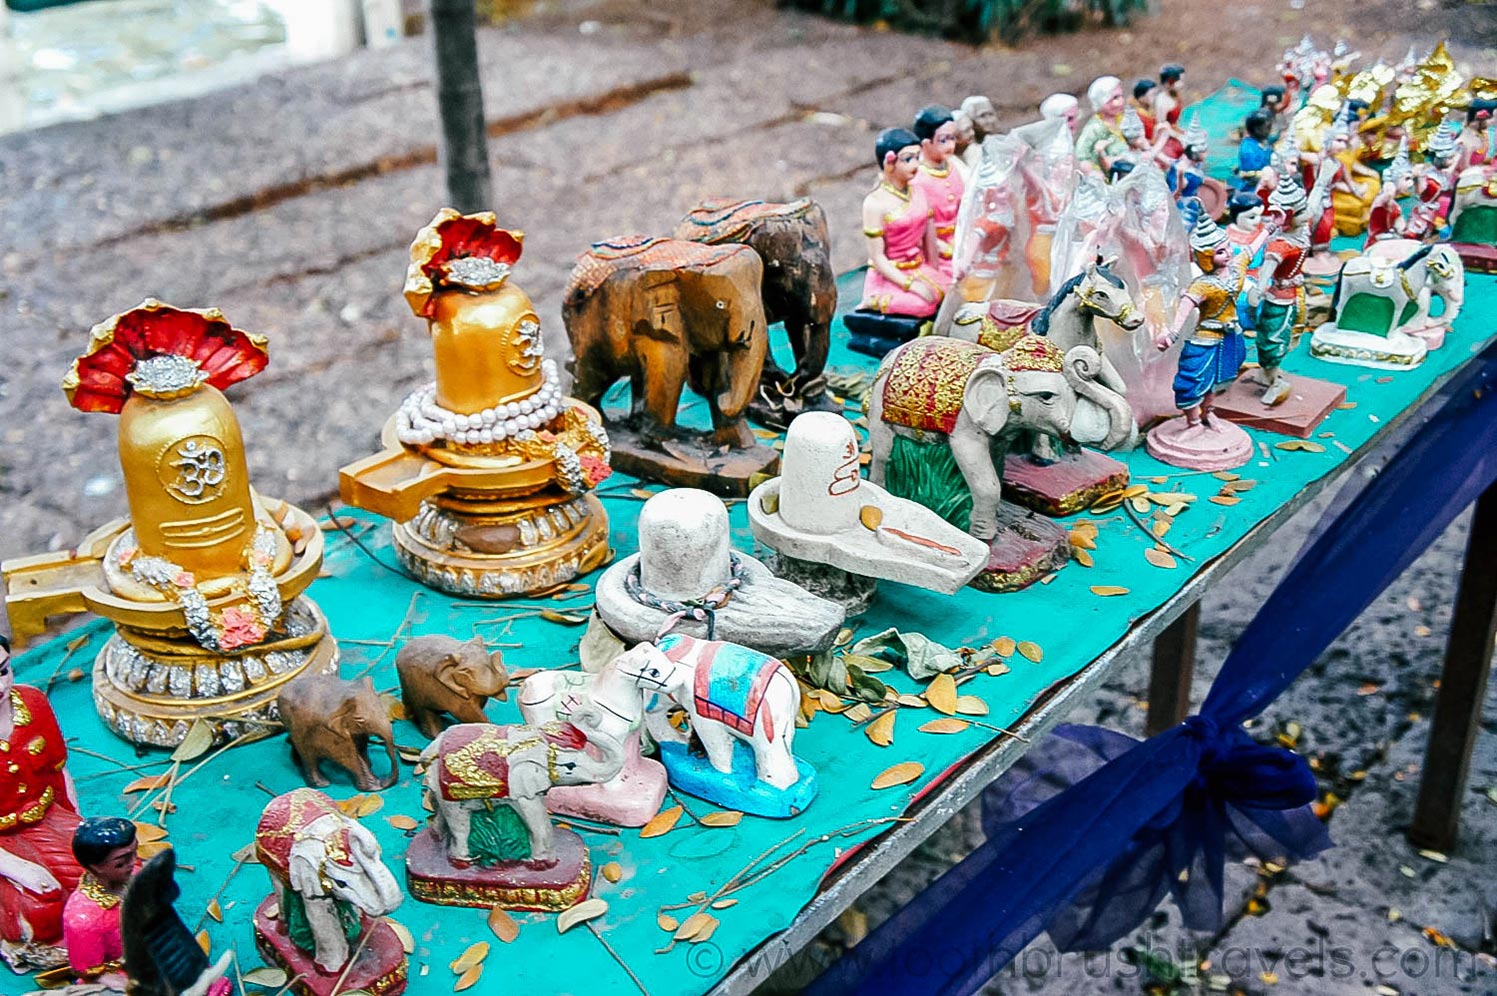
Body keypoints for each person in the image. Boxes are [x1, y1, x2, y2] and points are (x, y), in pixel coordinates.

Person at [0, 633, 83, 972]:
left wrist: (79, 826)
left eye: (3, 671)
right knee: (42, 909)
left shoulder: (31, 703)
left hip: (48, 817)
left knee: (118, 873)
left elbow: (59, 772)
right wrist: (18, 869)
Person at [1155, 214, 1258, 427]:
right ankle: (1192, 421)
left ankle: (1208, 412)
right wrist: (1172, 334)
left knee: (1219, 380)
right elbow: (1185, 309)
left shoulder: (1237, 269)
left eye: (1228, 248)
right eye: (1220, 252)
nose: (1228, 254)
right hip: (1205, 340)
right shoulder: (1201, 285)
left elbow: (1250, 249)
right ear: (1206, 257)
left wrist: (1270, 227)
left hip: (1231, 337)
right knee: (1190, 381)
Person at [859, 127, 945, 317]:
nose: (915, 165)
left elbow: (929, 237)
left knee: (951, 292)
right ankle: (874, 301)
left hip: (918, 267)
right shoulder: (875, 204)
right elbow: (878, 258)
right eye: (907, 159)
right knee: (924, 305)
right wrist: (911, 285)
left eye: (917, 157)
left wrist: (934, 272)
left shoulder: (919, 191)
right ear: (889, 163)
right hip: (889, 276)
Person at [1252, 173, 1312, 405]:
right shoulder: (1290, 239)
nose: (1307, 215)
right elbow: (1267, 267)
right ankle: (1269, 376)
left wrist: (1324, 178)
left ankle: (1273, 378)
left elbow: (1312, 205)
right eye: (1301, 212)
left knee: (1277, 338)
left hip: (1287, 298)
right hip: (1285, 296)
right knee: (1272, 338)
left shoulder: (1293, 237)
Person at [61, 817, 136, 985]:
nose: (133, 863)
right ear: (96, 867)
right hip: (117, 976)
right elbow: (89, 972)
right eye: (121, 862)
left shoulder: (137, 876)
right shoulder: (83, 919)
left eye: (134, 853)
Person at [911, 105, 966, 279]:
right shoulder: (917, 179)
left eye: (953, 139)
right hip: (936, 253)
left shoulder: (954, 167)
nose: (951, 145)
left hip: (962, 242)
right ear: (926, 143)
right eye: (943, 140)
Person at [1075, 76, 1129, 177]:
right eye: (1114, 98)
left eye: (1121, 96)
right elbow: (1082, 156)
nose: (1120, 102)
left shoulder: (1124, 119)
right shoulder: (1094, 128)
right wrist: (1093, 173)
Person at [1153, 63, 1187, 159]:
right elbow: (1161, 126)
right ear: (1170, 82)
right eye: (1180, 81)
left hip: (1176, 133)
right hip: (1167, 140)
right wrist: (1179, 136)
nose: (1182, 84)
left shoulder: (1175, 96)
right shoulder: (1162, 101)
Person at [1237, 109, 1276, 191]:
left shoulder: (1263, 141)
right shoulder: (1248, 149)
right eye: (1267, 127)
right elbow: (1251, 177)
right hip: (1253, 190)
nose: (1270, 131)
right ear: (1256, 129)